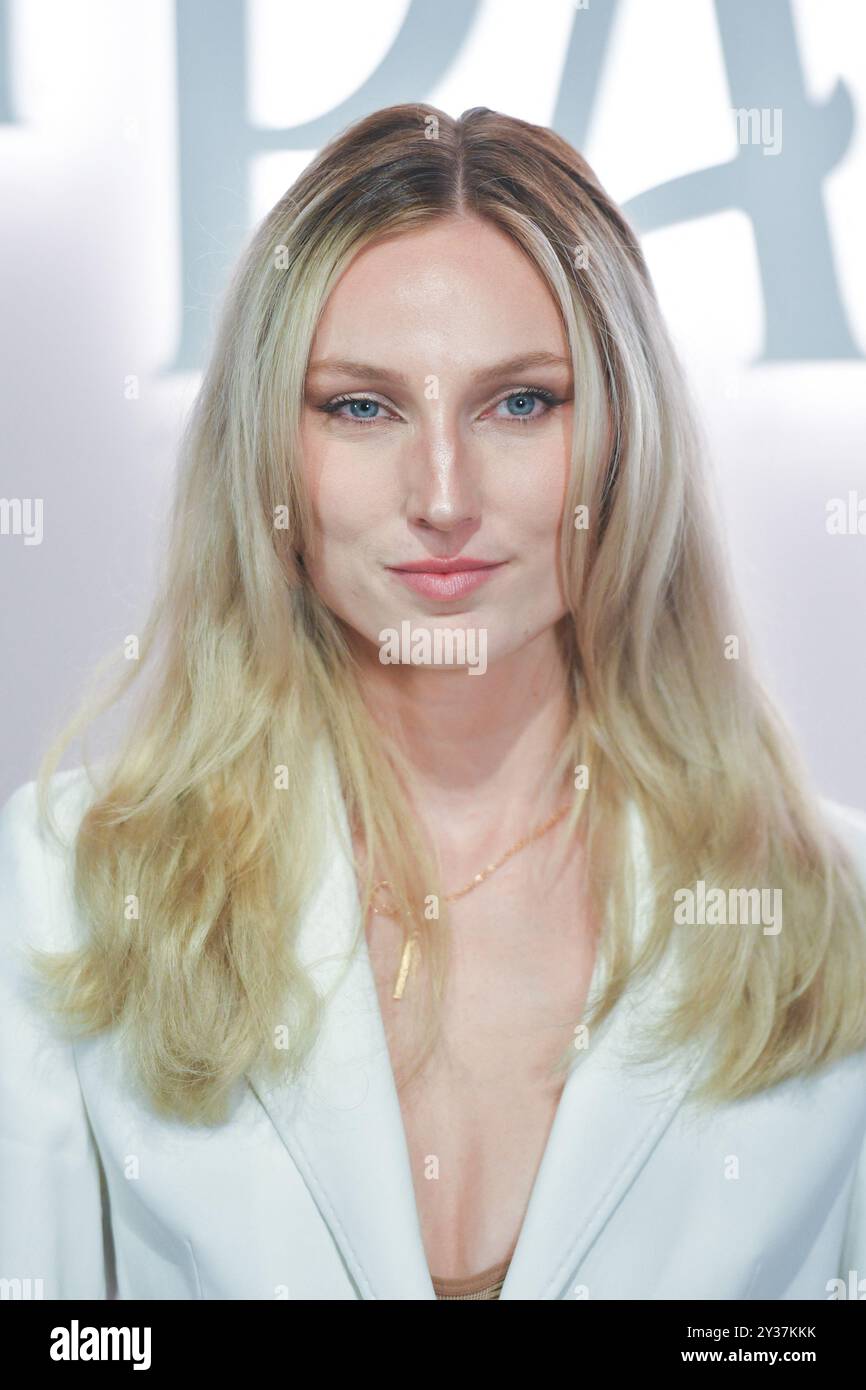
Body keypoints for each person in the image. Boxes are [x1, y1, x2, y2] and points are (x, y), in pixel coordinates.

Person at [2, 103, 865, 1303]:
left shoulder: (835, 914)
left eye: (519, 403)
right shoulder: (62, 886)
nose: (442, 494)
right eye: (362, 406)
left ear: (622, 437)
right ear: (267, 450)